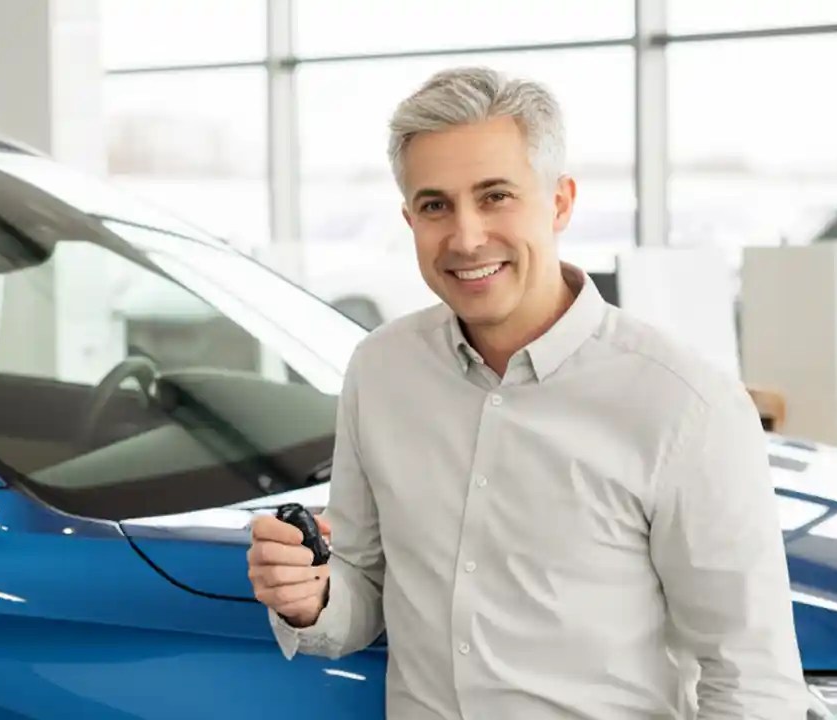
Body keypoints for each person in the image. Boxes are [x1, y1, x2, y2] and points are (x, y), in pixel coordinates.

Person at [246, 66, 808, 719]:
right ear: (409, 219)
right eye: (436, 206)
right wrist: (309, 596)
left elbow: (753, 683)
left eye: (495, 196)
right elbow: (363, 590)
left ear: (561, 202)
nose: (466, 237)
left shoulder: (685, 404)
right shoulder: (380, 372)